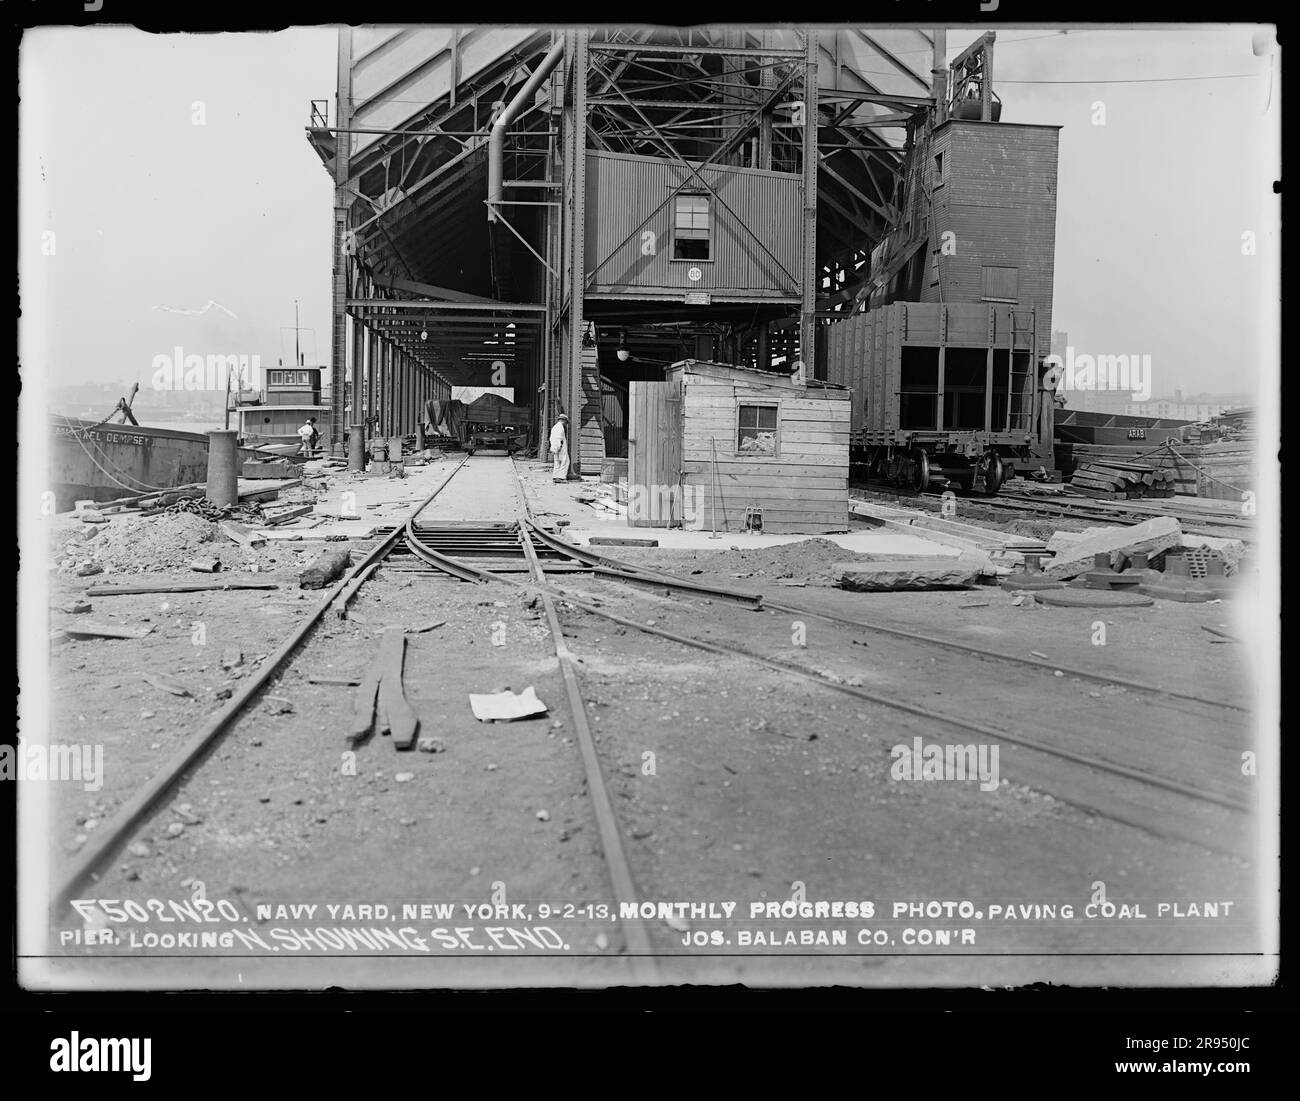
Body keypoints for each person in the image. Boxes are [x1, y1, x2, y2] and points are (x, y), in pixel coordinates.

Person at [550, 412, 570, 482]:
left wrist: (553, 448)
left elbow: (552, 438)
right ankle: (561, 477)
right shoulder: (560, 427)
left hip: (554, 447)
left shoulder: (555, 427)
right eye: (565, 422)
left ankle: (555, 477)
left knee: (557, 462)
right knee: (565, 461)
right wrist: (558, 447)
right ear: (564, 420)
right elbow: (559, 438)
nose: (565, 424)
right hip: (560, 448)